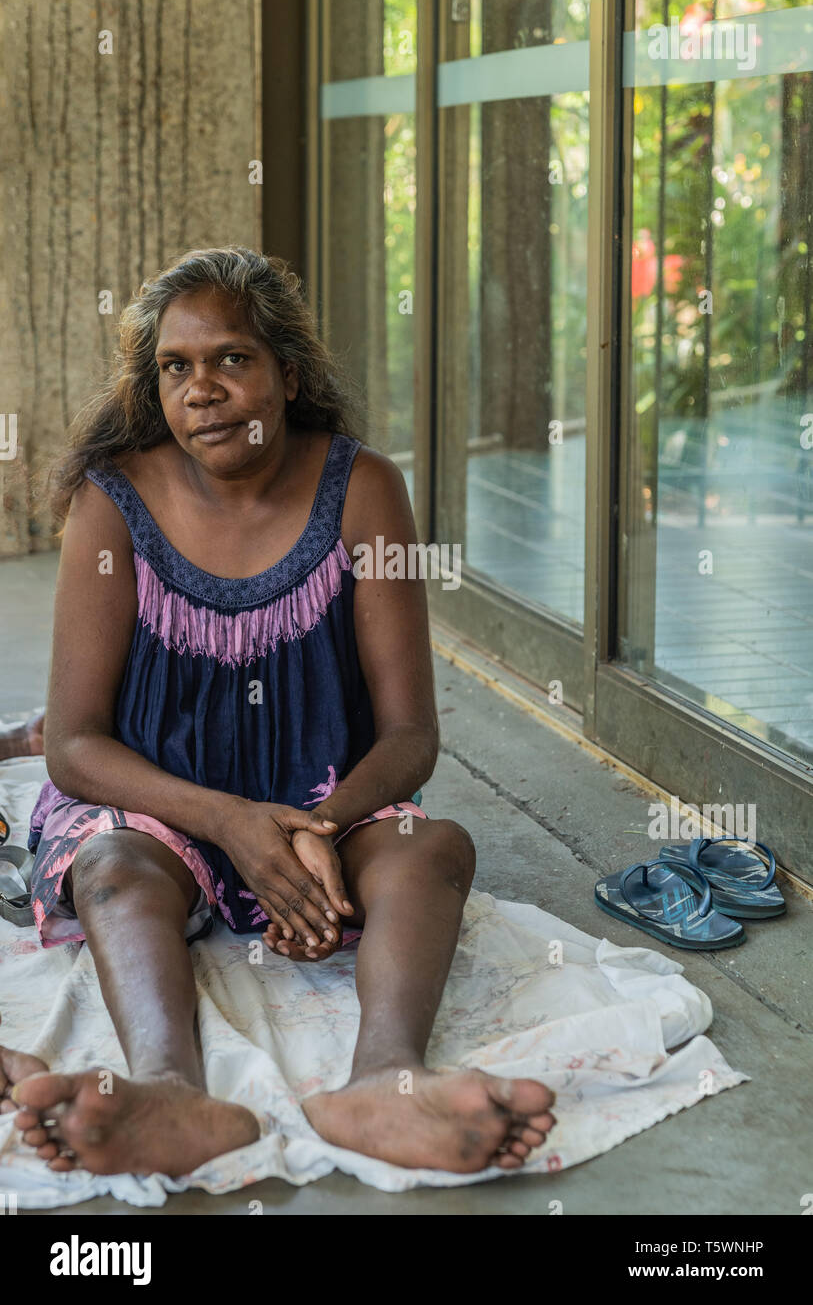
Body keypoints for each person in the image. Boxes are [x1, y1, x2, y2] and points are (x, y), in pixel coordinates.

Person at [0, 246, 555, 1177]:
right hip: (154, 803)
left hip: (318, 804)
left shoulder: (362, 489)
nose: (202, 390)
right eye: (175, 369)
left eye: (231, 359)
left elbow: (411, 732)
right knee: (113, 873)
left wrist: (320, 829)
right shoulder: (113, 503)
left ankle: (385, 1080)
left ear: (287, 376)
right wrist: (227, 819)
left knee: (432, 850)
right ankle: (170, 1092)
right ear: (154, 389)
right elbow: (77, 747)